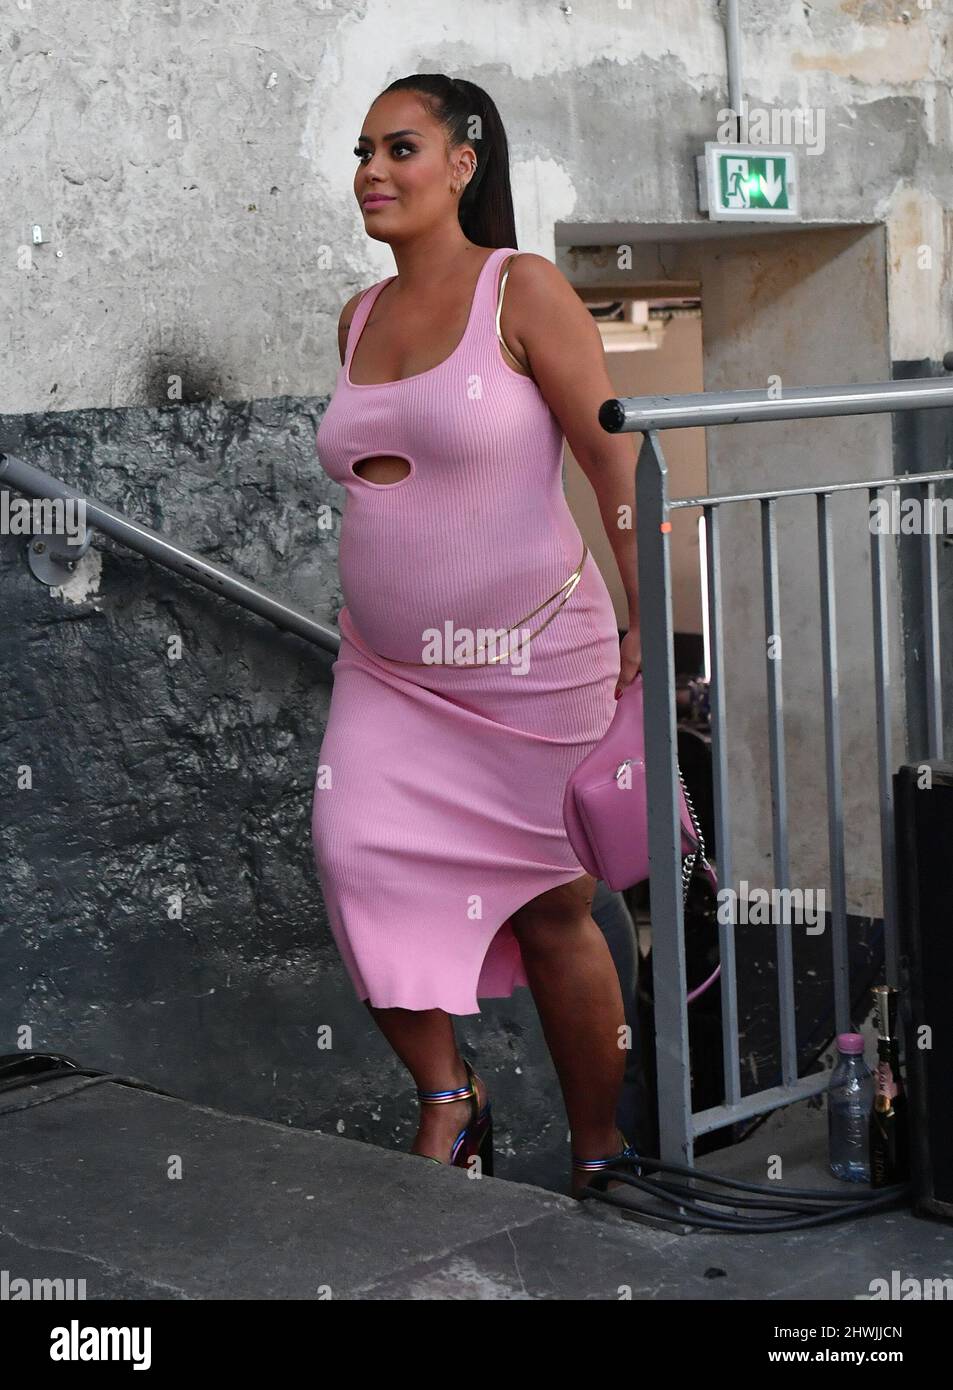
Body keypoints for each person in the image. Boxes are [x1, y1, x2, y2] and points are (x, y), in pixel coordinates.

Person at [311, 74, 642, 1198]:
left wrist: (645, 610)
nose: (371, 171)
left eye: (398, 148)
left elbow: (611, 456)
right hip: (391, 673)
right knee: (353, 853)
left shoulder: (522, 290)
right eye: (361, 151)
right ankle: (451, 1099)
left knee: (554, 907)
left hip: (535, 659)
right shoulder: (355, 317)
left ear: (463, 161)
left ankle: (600, 1155)